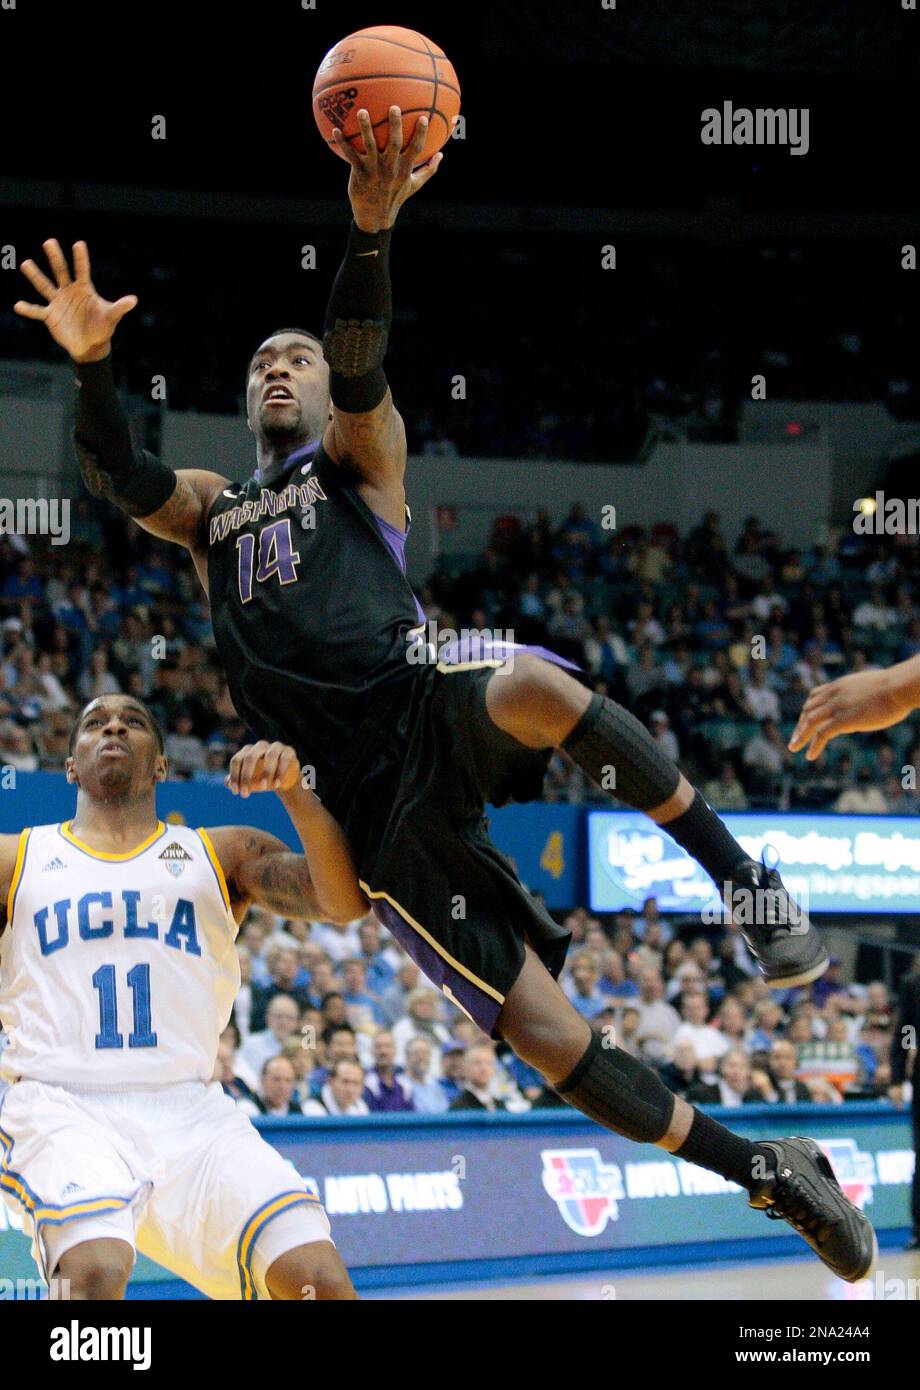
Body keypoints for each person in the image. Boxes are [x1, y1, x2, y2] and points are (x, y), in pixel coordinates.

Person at [15, 135, 874, 1278]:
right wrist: (89, 363)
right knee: (548, 1038)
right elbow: (120, 476)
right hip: (364, 809)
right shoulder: (214, 512)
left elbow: (364, 364)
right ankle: (767, 1172)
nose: (281, 367)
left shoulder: (358, 462)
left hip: (417, 689)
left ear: (324, 393)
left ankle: (744, 882)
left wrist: (369, 228)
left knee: (523, 678)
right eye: (264, 360)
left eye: (298, 359)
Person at [0, 695, 358, 1299]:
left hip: (194, 1113)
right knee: (93, 1273)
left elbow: (342, 903)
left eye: (135, 721)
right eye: (95, 723)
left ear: (162, 765)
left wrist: (297, 793)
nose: (114, 725)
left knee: (319, 1280)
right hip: (61, 1104)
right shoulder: (17, 857)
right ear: (69, 766)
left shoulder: (221, 853)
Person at [302, 1059, 369, 1117]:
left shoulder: (360, 1105)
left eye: (356, 1083)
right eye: (345, 1082)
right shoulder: (312, 1107)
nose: (350, 1090)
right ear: (330, 1081)